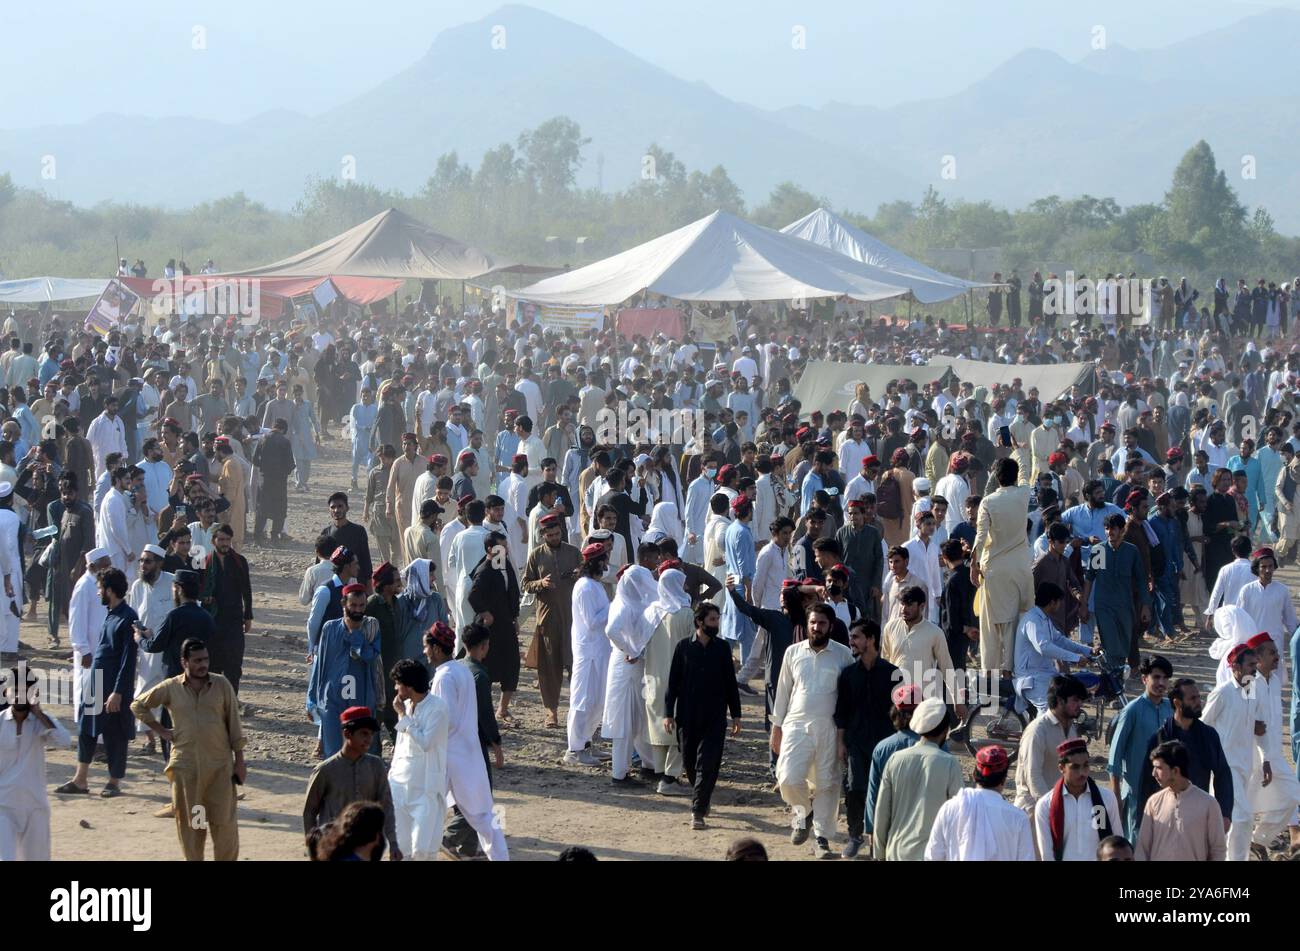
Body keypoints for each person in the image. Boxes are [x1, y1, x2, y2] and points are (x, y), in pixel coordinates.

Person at [130, 638, 245, 861]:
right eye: (197, 660)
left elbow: (234, 724)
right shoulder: (172, 688)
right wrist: (160, 730)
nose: (203, 664)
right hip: (187, 773)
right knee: (194, 829)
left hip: (220, 771)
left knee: (225, 829)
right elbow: (138, 705)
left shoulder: (221, 685)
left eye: (206, 659)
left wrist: (240, 760)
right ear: (184, 662)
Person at [772, 602, 855, 858]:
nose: (816, 627)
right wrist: (776, 727)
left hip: (829, 727)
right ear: (806, 625)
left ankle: (821, 839)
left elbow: (849, 697)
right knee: (787, 778)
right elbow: (783, 691)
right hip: (795, 724)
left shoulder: (843, 655)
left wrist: (846, 735)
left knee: (827, 784)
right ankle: (804, 813)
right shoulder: (793, 652)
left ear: (830, 626)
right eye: (812, 622)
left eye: (821, 623)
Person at [424, 621, 509, 860]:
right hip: (470, 757)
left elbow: (445, 720)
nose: (424, 652)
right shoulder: (463, 671)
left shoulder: (446, 676)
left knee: (424, 812)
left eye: (426, 647)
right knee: (484, 818)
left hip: (449, 759)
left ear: (437, 649)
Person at [55, 568, 137, 798]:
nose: (99, 592)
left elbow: (127, 661)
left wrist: (118, 693)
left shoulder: (127, 618)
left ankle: (113, 782)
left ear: (110, 590)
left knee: (115, 734)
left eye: (101, 588)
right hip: (96, 681)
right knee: (86, 729)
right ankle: (80, 780)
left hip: (113, 687)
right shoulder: (111, 614)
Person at [663, 601, 741, 830]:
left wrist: (736, 715)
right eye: (712, 620)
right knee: (689, 762)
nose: (716, 624)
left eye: (717, 619)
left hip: (715, 718)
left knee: (707, 764)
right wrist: (668, 714)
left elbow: (730, 684)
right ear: (700, 622)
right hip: (687, 717)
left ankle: (698, 810)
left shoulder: (723, 648)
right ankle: (703, 797)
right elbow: (673, 684)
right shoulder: (683, 648)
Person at [833, 617, 898, 859]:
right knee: (855, 789)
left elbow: (901, 712)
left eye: (856, 637)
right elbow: (841, 712)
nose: (852, 641)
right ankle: (854, 836)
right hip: (856, 743)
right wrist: (840, 743)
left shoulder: (893, 674)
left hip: (886, 744)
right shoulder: (848, 674)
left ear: (870, 640)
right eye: (851, 637)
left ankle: (880, 840)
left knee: (884, 792)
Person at [302, 707, 400, 859]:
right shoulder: (325, 770)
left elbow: (386, 806)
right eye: (364, 734)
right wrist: (314, 848)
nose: (369, 739)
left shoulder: (376, 766)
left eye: (371, 734)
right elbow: (309, 811)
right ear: (347, 733)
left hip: (367, 848)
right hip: (335, 847)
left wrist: (393, 843)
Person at [872, 697, 964, 861]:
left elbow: (882, 813)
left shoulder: (895, 759)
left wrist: (879, 853)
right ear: (946, 730)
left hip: (896, 852)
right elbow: (959, 816)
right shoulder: (949, 763)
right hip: (934, 855)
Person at [1136, 676, 1233, 830]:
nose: (1198, 702)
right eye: (1192, 698)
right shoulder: (1161, 738)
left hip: (1199, 816)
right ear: (1177, 703)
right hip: (1165, 818)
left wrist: (1225, 813)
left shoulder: (1208, 735)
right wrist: (1142, 823)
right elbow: (1147, 782)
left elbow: (1223, 774)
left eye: (1198, 697)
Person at [1202, 643, 1268, 861]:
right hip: (1225, 767)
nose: (1254, 669)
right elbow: (1203, 725)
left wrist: (1265, 758)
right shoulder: (1222, 692)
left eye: (1255, 664)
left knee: (1229, 821)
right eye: (1250, 664)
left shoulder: (1251, 690)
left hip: (1245, 766)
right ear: (1235, 667)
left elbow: (1254, 723)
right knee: (1243, 818)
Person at [970, 457, 1034, 671]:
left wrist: (973, 565)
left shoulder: (988, 502)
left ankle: (991, 674)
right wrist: (1019, 450)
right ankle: (1013, 670)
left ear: (996, 477)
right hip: (1022, 569)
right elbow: (1026, 471)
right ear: (1014, 476)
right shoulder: (1024, 494)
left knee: (991, 626)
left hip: (995, 569)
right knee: (1017, 623)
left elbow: (980, 537)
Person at [0, 675, 72, 860]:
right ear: (5, 693)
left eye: (25, 692)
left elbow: (64, 741)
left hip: (35, 806)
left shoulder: (42, 723)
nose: (19, 696)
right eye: (14, 691)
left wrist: (39, 713)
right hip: (3, 805)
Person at [602, 560, 661, 785]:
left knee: (638, 719)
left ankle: (649, 765)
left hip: (633, 665)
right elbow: (611, 630)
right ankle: (620, 773)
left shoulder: (627, 600)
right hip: (626, 666)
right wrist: (631, 650)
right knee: (624, 722)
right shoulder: (626, 604)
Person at [308, 583, 383, 758]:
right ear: (344, 604)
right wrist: (311, 698)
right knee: (333, 752)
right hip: (332, 698)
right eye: (353, 605)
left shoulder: (371, 628)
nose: (357, 610)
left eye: (361, 606)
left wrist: (355, 634)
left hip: (361, 697)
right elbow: (320, 664)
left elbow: (370, 656)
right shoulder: (329, 628)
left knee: (362, 750)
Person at [925, 745, 1035, 861]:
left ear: (974, 775)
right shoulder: (1018, 818)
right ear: (1004, 779)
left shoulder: (949, 808)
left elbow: (933, 855)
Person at [387, 658, 449, 862]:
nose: (395, 688)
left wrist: (404, 717)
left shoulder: (438, 708)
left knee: (422, 850)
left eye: (398, 683)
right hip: (400, 786)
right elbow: (401, 745)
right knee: (399, 848)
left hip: (425, 790)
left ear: (408, 685)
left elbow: (426, 743)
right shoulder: (404, 706)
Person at [521, 513, 579, 729]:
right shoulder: (536, 556)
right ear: (543, 534)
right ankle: (551, 712)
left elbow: (585, 574)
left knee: (576, 665)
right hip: (548, 619)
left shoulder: (574, 553)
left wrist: (577, 574)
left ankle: (577, 710)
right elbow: (526, 583)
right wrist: (540, 584)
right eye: (550, 535)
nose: (554, 537)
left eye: (557, 534)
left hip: (573, 618)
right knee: (549, 670)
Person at [1107, 654, 1173, 839]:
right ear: (1145, 679)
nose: (1161, 682)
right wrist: (1116, 799)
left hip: (1166, 790)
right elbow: (1114, 759)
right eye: (1156, 677)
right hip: (1137, 792)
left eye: (1165, 678)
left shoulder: (1171, 709)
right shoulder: (1132, 711)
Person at [643, 561, 695, 794]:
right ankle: (670, 778)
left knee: (657, 724)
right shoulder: (685, 614)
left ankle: (660, 773)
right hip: (679, 680)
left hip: (652, 677)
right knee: (679, 726)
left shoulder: (651, 612)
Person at [1245, 634, 1300, 855]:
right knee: (1244, 809)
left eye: (1277, 652)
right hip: (1252, 756)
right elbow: (1246, 719)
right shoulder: (1248, 682)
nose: (1278, 656)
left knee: (1293, 796)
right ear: (1257, 657)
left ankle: (1258, 840)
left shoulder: (1275, 681)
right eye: (1272, 652)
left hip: (1274, 753)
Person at [1134, 740, 1227, 861]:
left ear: (1175, 771)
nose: (1153, 774)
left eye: (1159, 768)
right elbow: (1142, 848)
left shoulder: (1208, 804)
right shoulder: (1154, 802)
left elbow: (1218, 850)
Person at [1034, 737, 1122, 861]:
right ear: (1061, 768)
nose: (1082, 772)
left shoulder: (1106, 798)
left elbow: (1117, 842)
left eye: (1085, 765)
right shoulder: (1045, 805)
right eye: (1075, 767)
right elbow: (1047, 854)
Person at [1012, 582, 1094, 714]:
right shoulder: (1032, 620)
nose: (1060, 605)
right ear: (1052, 602)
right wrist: (1075, 658)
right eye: (1059, 602)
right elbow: (1044, 647)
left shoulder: (1044, 619)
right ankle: (1038, 734)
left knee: (1069, 697)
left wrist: (1087, 650)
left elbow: (1060, 640)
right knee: (1050, 711)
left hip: (1045, 673)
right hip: (1031, 678)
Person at [1081, 513, 1151, 668]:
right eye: (1107, 529)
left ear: (1122, 530)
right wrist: (1084, 604)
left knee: (1124, 644)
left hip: (1125, 607)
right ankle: (1113, 675)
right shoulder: (1099, 551)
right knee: (1111, 643)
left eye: (1113, 529)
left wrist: (1146, 605)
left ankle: (1114, 675)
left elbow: (1141, 580)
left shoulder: (1131, 551)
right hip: (1104, 606)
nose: (1109, 532)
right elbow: (1090, 578)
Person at [467, 532, 521, 723]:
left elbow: (512, 592)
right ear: (490, 549)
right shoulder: (485, 569)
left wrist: (515, 617)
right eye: (501, 547)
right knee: (486, 669)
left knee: (512, 665)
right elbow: (473, 596)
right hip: (490, 630)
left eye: (505, 547)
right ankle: (483, 711)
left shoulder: (504, 565)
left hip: (506, 625)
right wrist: (485, 612)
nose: (505, 550)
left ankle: (503, 709)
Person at [565, 543, 612, 766]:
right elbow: (592, 622)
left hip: (600, 650)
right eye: (604, 559)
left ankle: (586, 743)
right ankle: (575, 749)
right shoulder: (584, 587)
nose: (606, 564)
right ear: (596, 562)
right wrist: (614, 607)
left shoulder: (596, 585)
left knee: (598, 700)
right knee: (583, 699)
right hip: (588, 651)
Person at [1013, 674, 1085, 812]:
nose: (1080, 705)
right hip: (1033, 811)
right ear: (1059, 700)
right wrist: (1052, 808)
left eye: (1081, 700)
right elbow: (1033, 777)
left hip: (1060, 810)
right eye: (1075, 700)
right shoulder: (1037, 731)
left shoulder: (1071, 729)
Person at [199, 525, 253, 691]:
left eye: (227, 540)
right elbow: (199, 588)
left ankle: (231, 703)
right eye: (221, 539)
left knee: (234, 666)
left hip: (234, 620)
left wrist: (248, 615)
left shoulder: (239, 561)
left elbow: (246, 589)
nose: (224, 543)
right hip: (212, 621)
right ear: (213, 541)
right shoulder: (205, 562)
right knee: (213, 665)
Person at [252, 418, 295, 544]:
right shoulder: (285, 442)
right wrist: (284, 472)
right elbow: (290, 464)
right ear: (283, 429)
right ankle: (275, 537)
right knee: (280, 510)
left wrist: (264, 467)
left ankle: (257, 537)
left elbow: (255, 460)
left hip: (264, 479)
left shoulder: (262, 438)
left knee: (262, 510)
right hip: (280, 481)